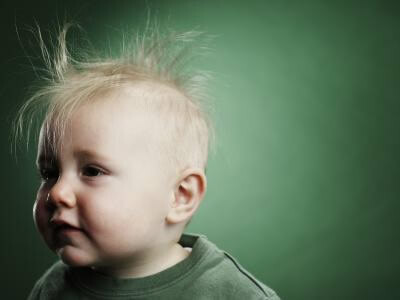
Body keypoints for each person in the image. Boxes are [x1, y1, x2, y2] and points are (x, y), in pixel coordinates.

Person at [16, 23, 280, 300]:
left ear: (180, 196)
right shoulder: (53, 288)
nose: (57, 193)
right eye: (49, 173)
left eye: (92, 171)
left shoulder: (231, 294)